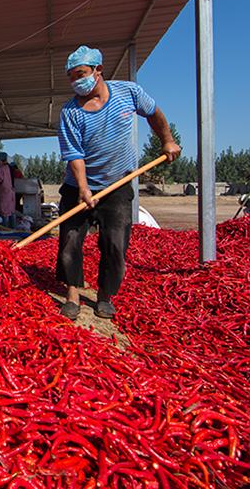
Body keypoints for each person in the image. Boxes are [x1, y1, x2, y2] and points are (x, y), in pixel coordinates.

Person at [56, 46, 180, 321]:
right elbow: (75, 155)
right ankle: (73, 294)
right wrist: (84, 188)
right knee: (70, 241)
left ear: (98, 70)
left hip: (118, 183)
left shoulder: (128, 93)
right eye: (71, 77)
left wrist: (167, 140)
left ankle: (104, 296)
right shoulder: (70, 111)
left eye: (81, 74)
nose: (77, 81)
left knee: (115, 243)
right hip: (79, 185)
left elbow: (154, 113)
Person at [0, 152, 16, 229]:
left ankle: (5, 229)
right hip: (10, 192)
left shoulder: (2, 168)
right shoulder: (9, 167)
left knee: (5, 211)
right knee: (11, 211)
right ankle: (13, 229)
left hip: (5, 192)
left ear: (1, 161)